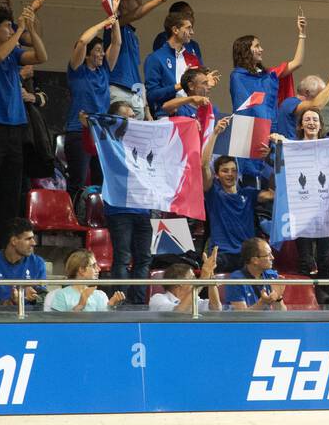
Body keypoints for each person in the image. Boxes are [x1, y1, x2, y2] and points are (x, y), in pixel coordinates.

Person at [0, 1, 47, 252]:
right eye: (6, 26)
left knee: (11, 192)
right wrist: (21, 27)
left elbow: (41, 56)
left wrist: (32, 29)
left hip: (15, 128)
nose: (11, 29)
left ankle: (6, 242)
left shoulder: (14, 53)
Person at [229, 15, 305, 185]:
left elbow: (297, 63)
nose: (262, 49)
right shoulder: (237, 76)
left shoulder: (268, 76)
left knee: (271, 185)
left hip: (270, 135)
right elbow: (247, 109)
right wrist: (259, 137)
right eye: (257, 46)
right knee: (251, 186)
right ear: (246, 50)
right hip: (249, 138)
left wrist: (302, 34)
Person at [63, 4, 121, 196]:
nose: (102, 54)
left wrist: (114, 19)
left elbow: (117, 43)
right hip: (79, 132)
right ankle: (71, 224)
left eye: (102, 50)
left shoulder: (104, 71)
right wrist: (103, 23)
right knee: (77, 182)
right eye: (97, 50)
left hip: (101, 133)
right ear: (88, 54)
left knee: (101, 182)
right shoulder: (77, 71)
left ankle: (97, 222)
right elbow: (81, 41)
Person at [101, 101, 153, 307]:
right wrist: (89, 126)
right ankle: (119, 302)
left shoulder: (142, 142)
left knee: (144, 258)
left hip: (142, 207)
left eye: (134, 116)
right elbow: (89, 144)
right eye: (128, 116)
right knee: (123, 257)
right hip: (119, 208)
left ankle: (138, 303)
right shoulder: (106, 140)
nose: (133, 120)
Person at [202, 120, 271, 273]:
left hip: (247, 257)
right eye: (225, 171)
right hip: (222, 256)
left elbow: (274, 194)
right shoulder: (213, 193)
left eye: (233, 170)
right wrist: (215, 133)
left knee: (269, 272)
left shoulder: (248, 193)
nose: (230, 174)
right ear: (217, 175)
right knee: (208, 270)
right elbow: (204, 165)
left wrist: (271, 158)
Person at [105, 0, 173, 120]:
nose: (139, 2)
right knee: (120, 128)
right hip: (118, 87)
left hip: (135, 90)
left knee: (137, 133)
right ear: (123, 3)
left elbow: (135, 70)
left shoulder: (132, 33)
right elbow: (136, 15)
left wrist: (146, 107)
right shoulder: (114, 24)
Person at [145, 10, 221, 120]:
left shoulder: (192, 58)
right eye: (188, 28)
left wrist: (204, 83)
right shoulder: (155, 58)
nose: (192, 32)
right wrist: (181, 85)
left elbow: (194, 91)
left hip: (193, 115)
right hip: (167, 117)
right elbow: (152, 96)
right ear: (175, 30)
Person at [290, 108, 329, 276]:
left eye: (315, 120)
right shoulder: (291, 148)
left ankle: (324, 299)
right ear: (301, 125)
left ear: (321, 125)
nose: (311, 122)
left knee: (325, 258)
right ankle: (307, 300)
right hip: (301, 210)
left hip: (326, 211)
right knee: (306, 260)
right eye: (307, 119)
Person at [0, 218, 47, 306]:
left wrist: (34, 298)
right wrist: (10, 303)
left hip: (29, 317)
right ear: (14, 241)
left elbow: (44, 298)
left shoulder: (38, 263)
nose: (34, 243)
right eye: (28, 239)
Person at [274, 67, 329, 139]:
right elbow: (315, 105)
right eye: (321, 95)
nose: (323, 99)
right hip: (290, 150)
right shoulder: (290, 103)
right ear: (307, 92)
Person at [44, 250, 125, 312]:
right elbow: (58, 325)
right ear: (82, 270)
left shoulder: (101, 295)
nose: (99, 269)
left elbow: (104, 325)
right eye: (93, 266)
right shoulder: (61, 295)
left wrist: (111, 306)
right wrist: (81, 304)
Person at [151, 249, 223, 313]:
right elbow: (179, 313)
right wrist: (201, 281)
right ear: (179, 283)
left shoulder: (195, 299)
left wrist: (211, 278)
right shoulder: (158, 299)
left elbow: (216, 309)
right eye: (192, 278)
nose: (196, 281)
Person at [225, 238, 287, 310]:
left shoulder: (272, 275)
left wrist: (278, 298)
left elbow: (281, 313)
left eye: (271, 254)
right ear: (255, 260)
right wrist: (262, 303)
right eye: (268, 255)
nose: (272, 258)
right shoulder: (236, 280)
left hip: (268, 321)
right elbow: (240, 316)